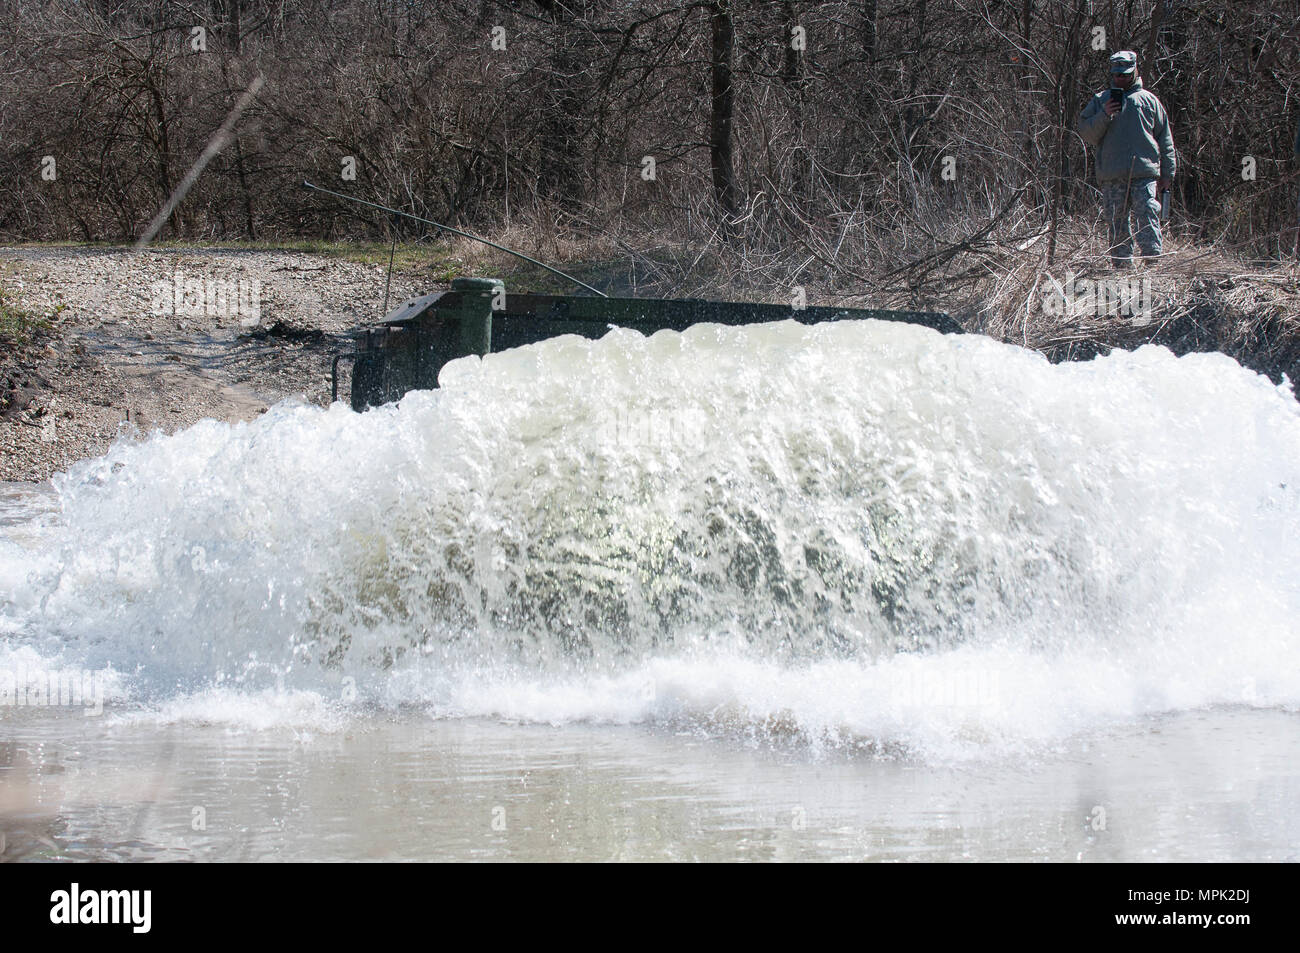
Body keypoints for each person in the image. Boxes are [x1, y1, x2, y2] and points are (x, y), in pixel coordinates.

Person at [1078, 51, 1176, 268]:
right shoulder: (1101, 100)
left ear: (1135, 72)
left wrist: (1168, 174)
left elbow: (1166, 139)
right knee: (1117, 223)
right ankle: (1122, 270)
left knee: (1148, 215)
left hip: (1144, 174)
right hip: (1112, 176)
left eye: (1125, 74)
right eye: (1117, 75)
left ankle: (1153, 265)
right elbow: (1087, 134)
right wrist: (1104, 114)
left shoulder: (1149, 101)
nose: (1120, 79)